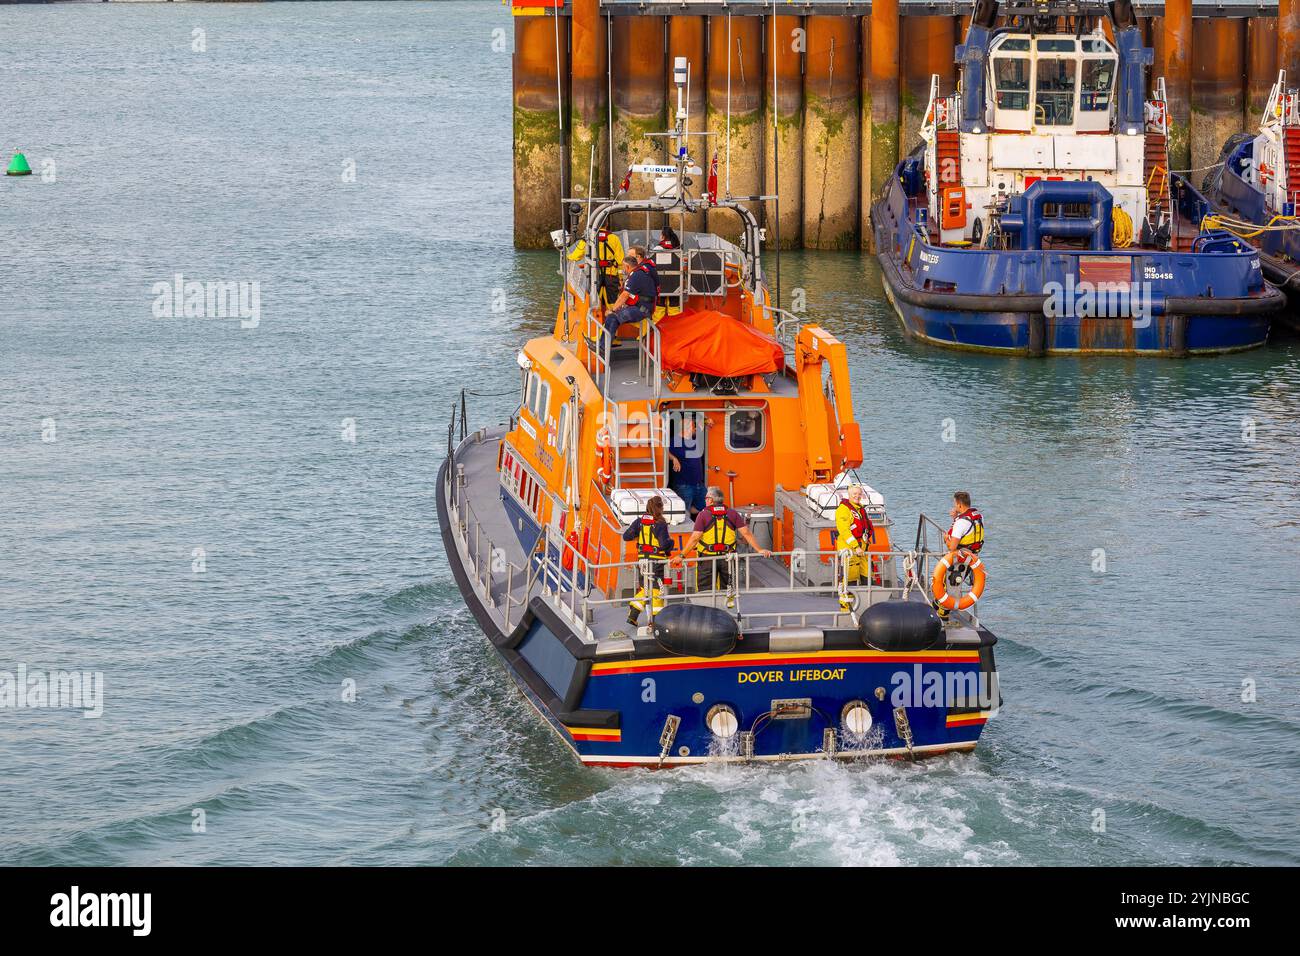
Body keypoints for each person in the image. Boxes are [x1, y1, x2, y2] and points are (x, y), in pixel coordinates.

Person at [672, 486, 771, 609]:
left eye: (706, 498)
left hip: (707, 559)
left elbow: (695, 538)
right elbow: (746, 533)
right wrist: (759, 549)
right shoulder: (732, 513)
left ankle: (706, 613)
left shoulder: (703, 515)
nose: (705, 500)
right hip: (728, 558)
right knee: (728, 589)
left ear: (710, 500)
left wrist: (682, 555)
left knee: (705, 590)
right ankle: (728, 613)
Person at [621, 495, 675, 627]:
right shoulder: (660, 524)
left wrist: (639, 537)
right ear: (660, 508)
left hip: (642, 561)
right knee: (657, 590)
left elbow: (626, 536)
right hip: (656, 562)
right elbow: (663, 545)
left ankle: (633, 615)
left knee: (645, 588)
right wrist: (671, 542)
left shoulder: (639, 522)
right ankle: (657, 621)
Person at [834, 485, 875, 612]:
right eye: (854, 494)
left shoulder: (860, 509)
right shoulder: (843, 510)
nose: (857, 496)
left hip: (862, 550)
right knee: (849, 579)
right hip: (849, 550)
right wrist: (855, 546)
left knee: (867, 576)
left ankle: (867, 607)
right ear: (849, 495)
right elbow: (845, 530)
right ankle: (846, 609)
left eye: (859, 494)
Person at [601, 254, 656, 344]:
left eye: (623, 266)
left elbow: (625, 295)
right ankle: (602, 346)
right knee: (612, 318)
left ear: (627, 266)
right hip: (642, 308)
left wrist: (613, 310)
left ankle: (602, 347)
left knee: (612, 317)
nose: (622, 269)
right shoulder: (639, 273)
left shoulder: (635, 276)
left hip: (641, 309)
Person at [667, 415, 707, 517]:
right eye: (693, 427)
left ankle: (692, 519)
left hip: (698, 484)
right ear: (688, 428)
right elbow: (664, 451)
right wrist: (673, 458)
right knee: (684, 512)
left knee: (705, 505)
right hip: (684, 485)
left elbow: (702, 425)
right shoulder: (674, 441)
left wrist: (707, 420)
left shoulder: (693, 438)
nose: (695, 429)